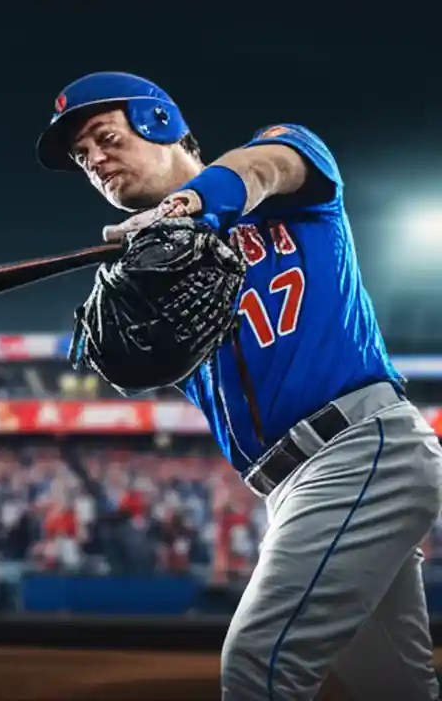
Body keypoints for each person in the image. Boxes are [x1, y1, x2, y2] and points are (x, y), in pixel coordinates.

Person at [35, 71, 442, 700]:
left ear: (159, 123)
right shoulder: (152, 272)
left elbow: (264, 167)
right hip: (290, 487)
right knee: (397, 689)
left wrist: (186, 208)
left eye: (106, 136)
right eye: (84, 157)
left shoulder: (284, 173)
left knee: (259, 665)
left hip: (359, 447)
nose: (95, 160)